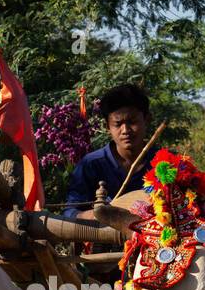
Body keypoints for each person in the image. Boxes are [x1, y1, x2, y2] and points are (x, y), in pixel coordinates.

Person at [63, 83, 161, 219]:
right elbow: (70, 212)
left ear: (147, 119)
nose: (125, 130)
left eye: (132, 122)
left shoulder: (165, 163)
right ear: (107, 126)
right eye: (118, 124)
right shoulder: (91, 165)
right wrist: (99, 215)